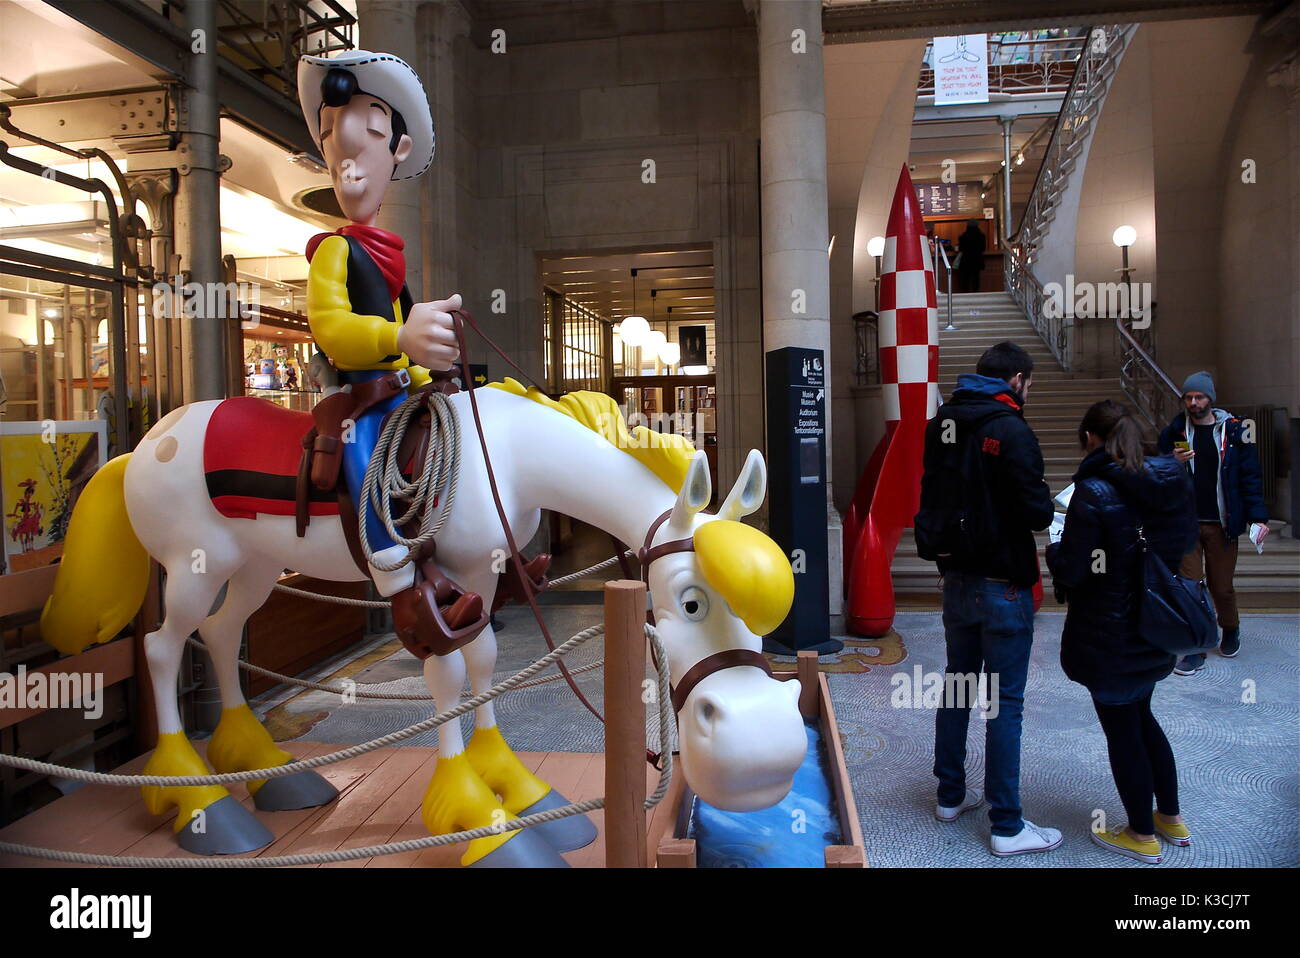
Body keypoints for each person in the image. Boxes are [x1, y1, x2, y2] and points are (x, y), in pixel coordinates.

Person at [297, 51, 462, 644]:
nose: (351, 167)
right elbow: (332, 329)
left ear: (398, 151)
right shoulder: (333, 251)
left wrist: (429, 360)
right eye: (339, 149)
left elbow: (403, 329)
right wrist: (398, 337)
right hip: (359, 395)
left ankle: (454, 558)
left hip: (395, 388)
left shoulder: (386, 252)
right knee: (366, 457)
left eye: (371, 133)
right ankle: (395, 580)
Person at [916, 341, 1060, 856]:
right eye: (1030, 383)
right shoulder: (1011, 429)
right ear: (1017, 380)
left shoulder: (943, 424)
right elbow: (1036, 513)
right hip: (1004, 583)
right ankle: (1006, 825)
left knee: (957, 686)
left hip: (957, 580)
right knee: (1005, 704)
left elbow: (934, 493)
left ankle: (950, 795)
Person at [1046, 400, 1198, 863]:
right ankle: (1169, 816)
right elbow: (1183, 545)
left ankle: (1139, 834)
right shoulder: (1173, 481)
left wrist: (1054, 553)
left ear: (1091, 439)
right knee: (1144, 718)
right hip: (1155, 626)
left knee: (1122, 731)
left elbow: (1074, 566)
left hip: (1107, 631)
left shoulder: (1093, 490)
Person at [1157, 371, 1270, 673]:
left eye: (1199, 397)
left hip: (1222, 524)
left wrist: (1258, 517)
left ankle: (1230, 627)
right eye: (1189, 398)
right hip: (1187, 524)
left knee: (1221, 587)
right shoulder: (1176, 431)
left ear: (1210, 399)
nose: (1193, 403)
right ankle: (1197, 647)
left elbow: (1250, 476)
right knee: (1191, 587)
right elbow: (1155, 468)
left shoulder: (1233, 431)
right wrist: (1171, 461)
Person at [956, 220, 986, 292]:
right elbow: (983, 248)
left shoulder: (963, 236)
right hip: (977, 259)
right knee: (976, 277)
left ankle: (966, 293)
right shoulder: (981, 236)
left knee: (966, 278)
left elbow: (961, 248)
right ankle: (975, 292)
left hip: (966, 260)